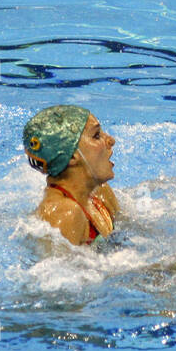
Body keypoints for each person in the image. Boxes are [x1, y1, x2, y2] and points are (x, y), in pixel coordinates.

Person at [23, 105, 118, 246]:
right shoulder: (65, 215)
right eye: (96, 135)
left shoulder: (100, 194)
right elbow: (56, 267)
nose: (111, 140)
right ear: (72, 156)